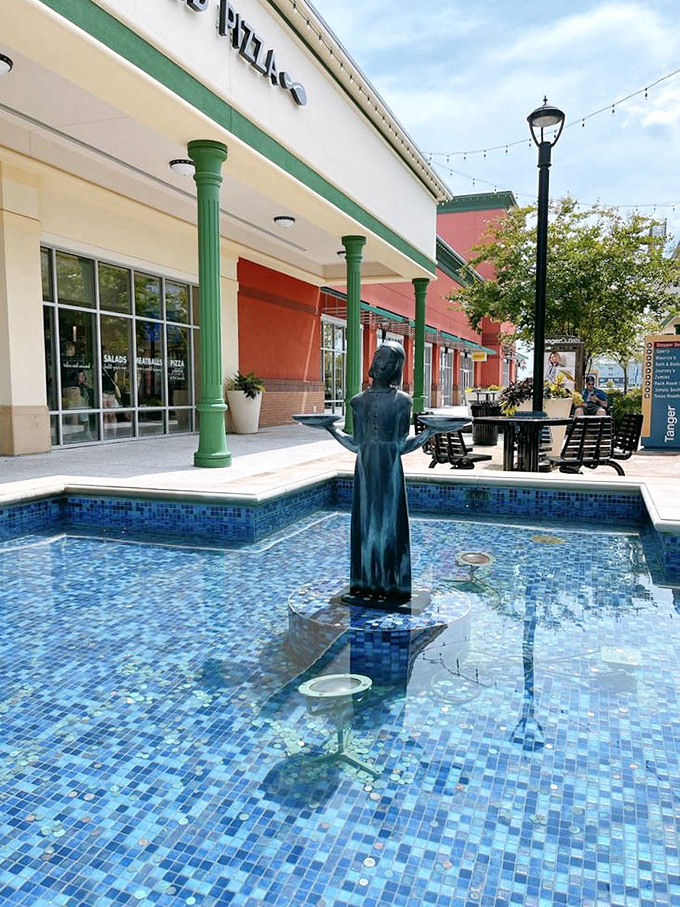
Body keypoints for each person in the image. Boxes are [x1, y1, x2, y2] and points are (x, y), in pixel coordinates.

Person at [322, 342, 438, 602]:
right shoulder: (357, 402)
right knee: (365, 523)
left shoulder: (402, 402)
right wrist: (331, 429)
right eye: (377, 356)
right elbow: (356, 443)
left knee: (389, 524)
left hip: (389, 469)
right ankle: (364, 584)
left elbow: (401, 445)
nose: (379, 363)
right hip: (364, 469)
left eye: (387, 360)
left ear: (395, 367)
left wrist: (429, 432)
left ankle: (391, 586)